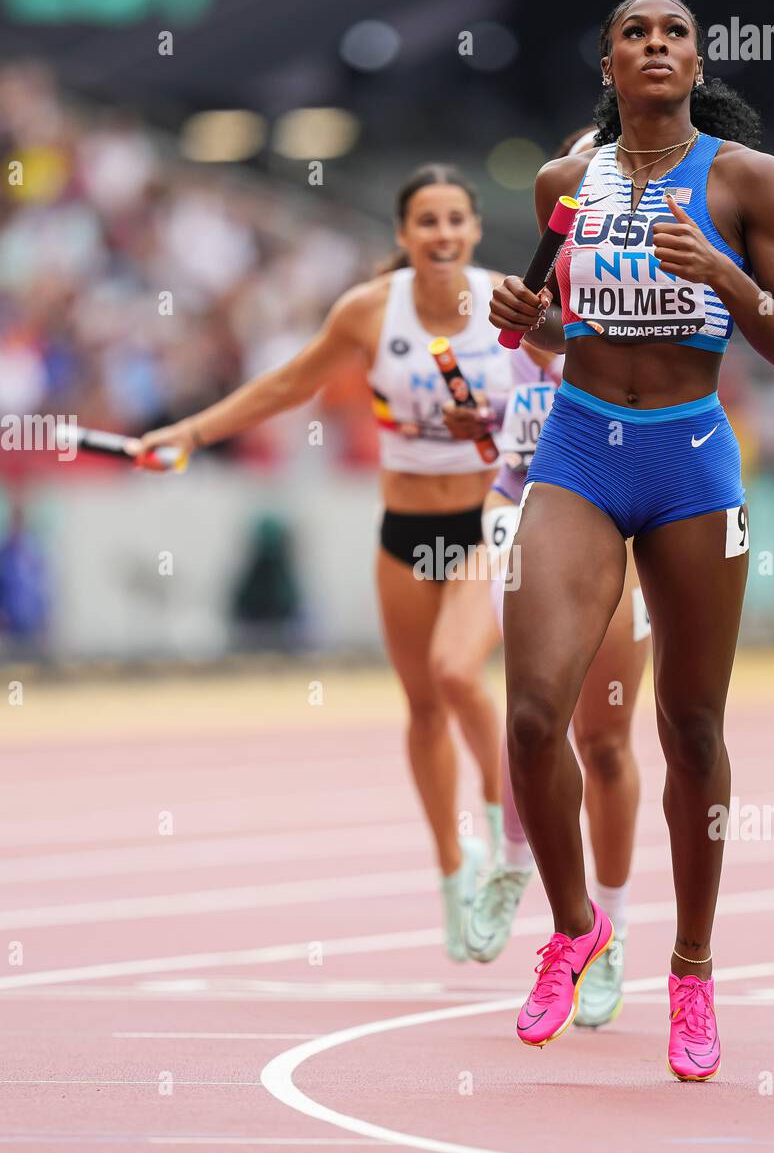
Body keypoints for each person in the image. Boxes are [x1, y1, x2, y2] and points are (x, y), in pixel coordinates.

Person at [489, 0, 774, 1075]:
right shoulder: (561, 184)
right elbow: (549, 329)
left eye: (674, 31)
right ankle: (579, 925)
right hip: (581, 450)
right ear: (608, 63)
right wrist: (532, 328)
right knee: (534, 715)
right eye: (634, 32)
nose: (655, 45)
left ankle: (690, 969)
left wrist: (723, 275)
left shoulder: (743, 181)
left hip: (689, 459)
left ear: (696, 58)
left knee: (690, 730)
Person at [135, 164, 516, 960]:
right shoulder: (370, 312)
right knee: (421, 709)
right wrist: (193, 433)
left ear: (475, 230)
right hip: (405, 529)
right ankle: (453, 875)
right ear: (404, 236)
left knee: (456, 673)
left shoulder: (510, 305)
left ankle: (501, 837)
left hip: (487, 523)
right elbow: (287, 384)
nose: (442, 235)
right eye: (427, 222)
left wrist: (493, 422)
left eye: (455, 220)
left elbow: (567, 394)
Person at [441, 126, 651, 1030]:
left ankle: (614, 928)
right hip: (515, 516)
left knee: (604, 743)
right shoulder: (505, 297)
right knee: (525, 706)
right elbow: (490, 421)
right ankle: (516, 864)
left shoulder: (644, 299)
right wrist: (472, 427)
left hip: (616, 524)